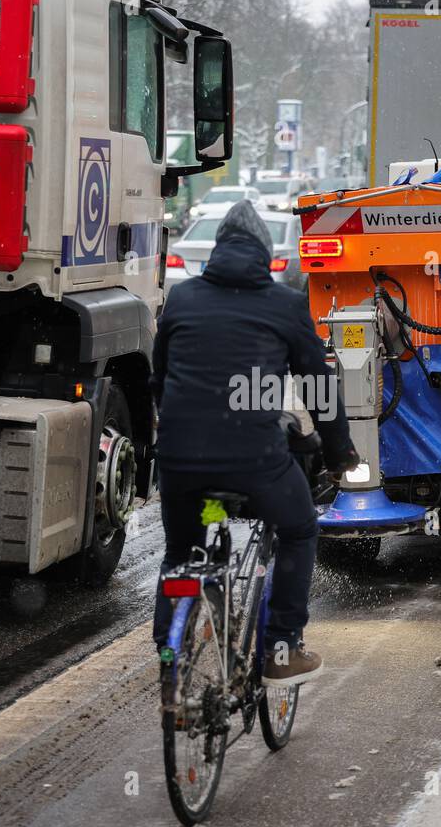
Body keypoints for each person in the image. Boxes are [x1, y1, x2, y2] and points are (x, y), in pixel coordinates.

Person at [150, 200, 357, 685]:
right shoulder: (284, 304)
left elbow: (159, 380)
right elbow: (318, 388)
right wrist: (339, 455)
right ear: (266, 256)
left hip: (181, 465)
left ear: (217, 252)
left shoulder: (183, 300)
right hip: (254, 465)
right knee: (300, 529)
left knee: (182, 550)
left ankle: (168, 653)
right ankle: (282, 649)